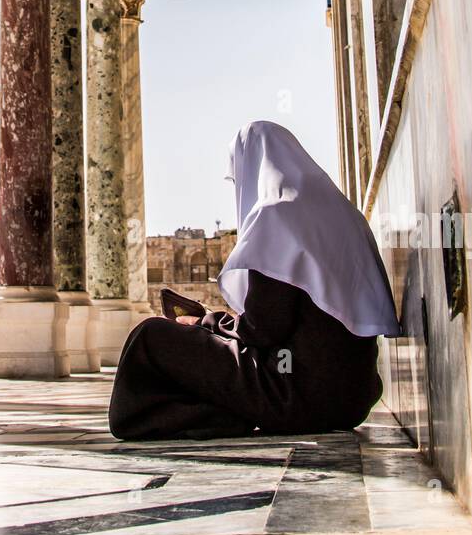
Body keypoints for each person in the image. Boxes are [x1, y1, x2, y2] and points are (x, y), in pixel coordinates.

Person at [108, 120, 402, 441]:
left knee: (149, 336)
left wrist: (205, 324)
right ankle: (220, 415)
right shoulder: (347, 217)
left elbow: (262, 331)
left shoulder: (278, 215)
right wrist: (212, 324)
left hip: (298, 395)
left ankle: (218, 418)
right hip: (353, 401)